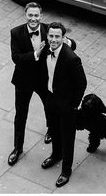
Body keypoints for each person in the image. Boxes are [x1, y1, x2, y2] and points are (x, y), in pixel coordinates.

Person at [7, 2, 76, 166]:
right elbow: (16, 58)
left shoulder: (48, 30)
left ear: (41, 15)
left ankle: (51, 130)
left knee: (50, 110)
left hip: (45, 81)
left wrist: (67, 42)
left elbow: (72, 44)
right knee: (20, 115)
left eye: (36, 15)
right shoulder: (16, 32)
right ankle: (18, 148)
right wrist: (36, 54)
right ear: (25, 15)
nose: (33, 18)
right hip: (23, 81)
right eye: (30, 15)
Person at [40, 22, 87, 188]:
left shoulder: (71, 58)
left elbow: (82, 83)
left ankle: (66, 170)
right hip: (50, 99)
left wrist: (73, 105)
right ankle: (55, 155)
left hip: (67, 105)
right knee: (53, 130)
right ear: (47, 36)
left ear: (63, 38)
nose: (53, 39)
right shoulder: (45, 49)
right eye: (51, 36)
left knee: (68, 138)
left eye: (57, 36)